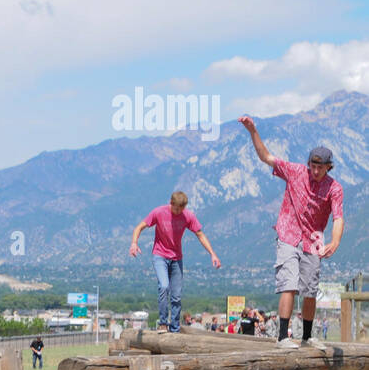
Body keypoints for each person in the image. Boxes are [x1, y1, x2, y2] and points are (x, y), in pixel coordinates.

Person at [243, 116, 345, 349]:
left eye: (321, 167)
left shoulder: (335, 188)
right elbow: (266, 157)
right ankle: (282, 337)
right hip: (288, 234)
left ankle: (307, 337)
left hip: (313, 240)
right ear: (308, 163)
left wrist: (335, 241)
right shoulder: (295, 172)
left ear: (329, 167)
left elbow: (339, 218)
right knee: (289, 283)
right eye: (313, 165)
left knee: (309, 290)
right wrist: (253, 131)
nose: (316, 170)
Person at [129, 191, 221, 332]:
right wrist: (134, 243)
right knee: (164, 286)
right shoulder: (159, 212)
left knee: (176, 296)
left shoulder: (188, 215)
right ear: (171, 203)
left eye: (182, 209)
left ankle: (175, 327)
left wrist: (212, 254)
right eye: (177, 209)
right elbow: (139, 227)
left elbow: (200, 235)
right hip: (160, 255)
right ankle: (163, 323)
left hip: (177, 258)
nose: (179, 212)